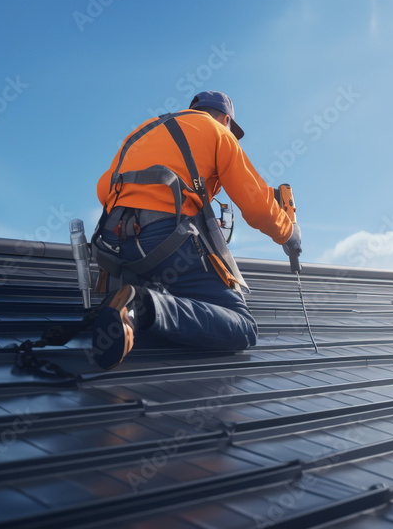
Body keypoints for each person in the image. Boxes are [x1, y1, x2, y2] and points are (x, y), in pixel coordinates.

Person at [88, 91, 302, 370]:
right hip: (165, 240)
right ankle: (140, 306)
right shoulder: (218, 133)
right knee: (243, 327)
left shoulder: (143, 130)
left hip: (113, 243)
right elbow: (257, 206)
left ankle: (122, 306)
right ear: (225, 119)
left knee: (161, 280)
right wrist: (289, 233)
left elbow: (103, 187)